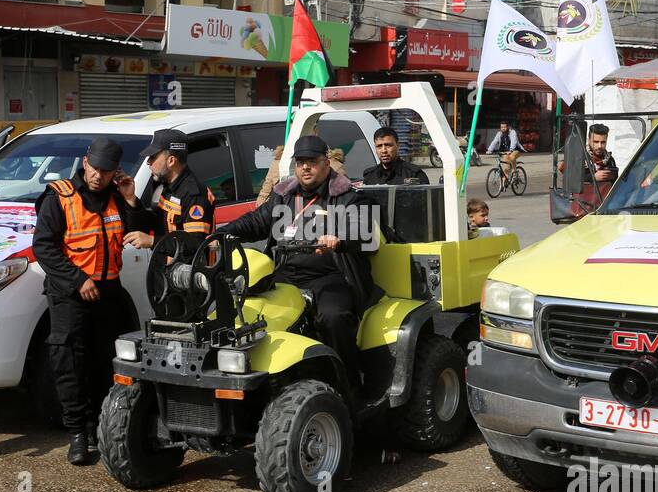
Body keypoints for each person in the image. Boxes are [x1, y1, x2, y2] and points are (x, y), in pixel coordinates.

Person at [222, 135, 380, 398]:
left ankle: (348, 385)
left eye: (312, 162)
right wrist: (224, 234)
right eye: (301, 162)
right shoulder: (283, 197)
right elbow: (255, 221)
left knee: (333, 318)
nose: (306, 167)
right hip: (285, 277)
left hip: (332, 277)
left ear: (326, 164)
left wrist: (339, 240)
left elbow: (365, 234)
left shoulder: (347, 197)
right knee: (245, 314)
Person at [33, 137, 152, 465]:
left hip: (109, 293)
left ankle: (102, 426)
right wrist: (78, 280)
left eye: (106, 170)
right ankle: (77, 435)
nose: (98, 175)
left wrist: (131, 200)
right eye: (95, 168)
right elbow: (44, 247)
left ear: (117, 172)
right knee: (70, 363)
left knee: (106, 362)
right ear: (85, 162)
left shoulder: (117, 198)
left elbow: (137, 234)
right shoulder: (59, 198)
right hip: (70, 294)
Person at [123, 128, 215, 257]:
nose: (149, 162)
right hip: (167, 271)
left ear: (171, 161)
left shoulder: (194, 194)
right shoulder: (167, 185)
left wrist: (152, 241)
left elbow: (195, 245)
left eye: (153, 157)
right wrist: (131, 199)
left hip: (187, 275)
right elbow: (156, 223)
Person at [363, 126, 429, 185]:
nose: (383, 150)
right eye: (379, 146)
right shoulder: (369, 176)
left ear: (398, 146)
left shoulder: (414, 174)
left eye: (388, 145)